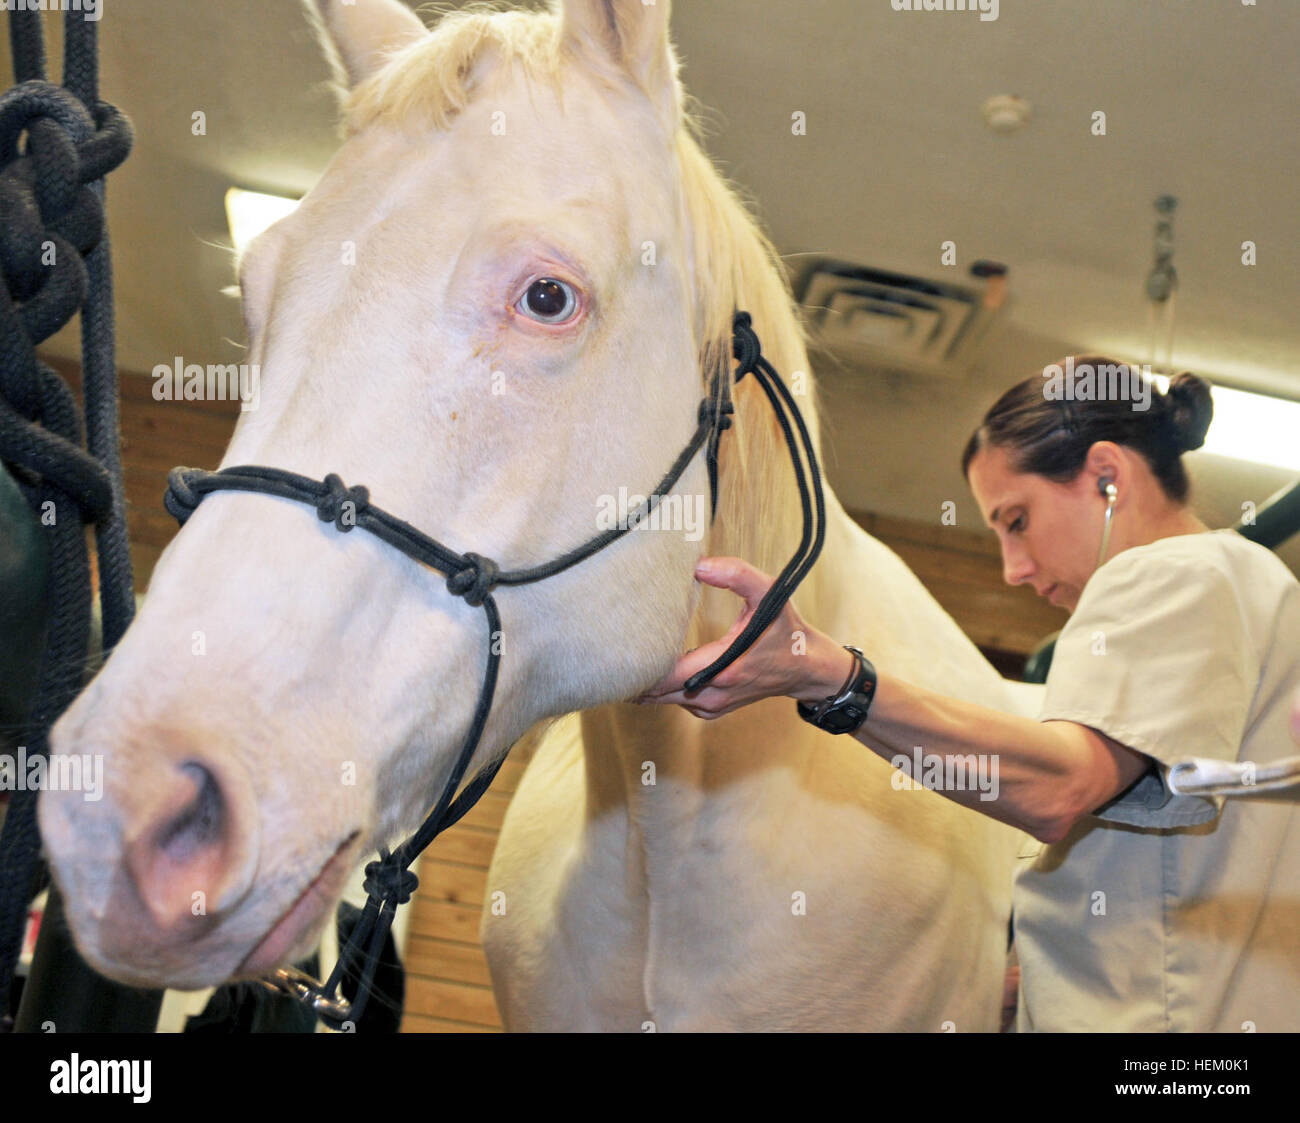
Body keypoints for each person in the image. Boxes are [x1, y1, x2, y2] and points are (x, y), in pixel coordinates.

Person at [637, 358, 1300, 1032]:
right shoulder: (1262, 589)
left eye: (1017, 520)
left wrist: (829, 676)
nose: (1013, 569)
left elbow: (1062, 786)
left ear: (1107, 475)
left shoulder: (1169, 573)